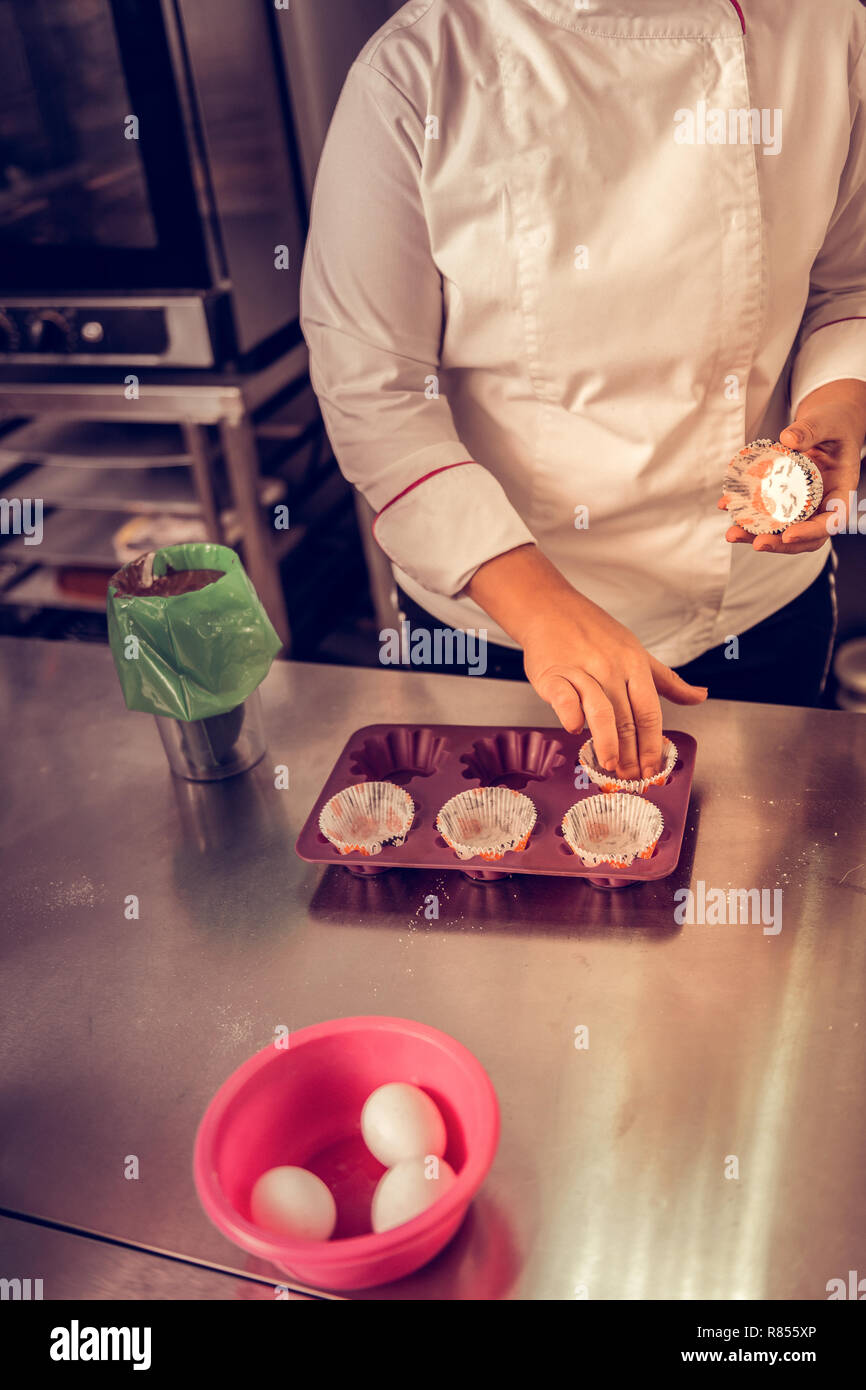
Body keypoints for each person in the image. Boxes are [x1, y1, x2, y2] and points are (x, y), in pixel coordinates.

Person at [301, 0, 866, 778]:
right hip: (503, 623)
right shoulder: (420, 64)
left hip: (757, 604)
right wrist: (539, 604)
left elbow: (848, 288)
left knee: (757, 874)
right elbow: (374, 388)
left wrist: (836, 404)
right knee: (499, 876)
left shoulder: (828, 25)